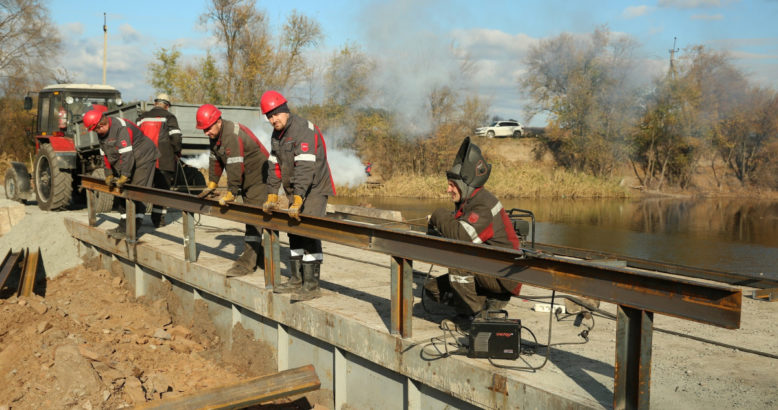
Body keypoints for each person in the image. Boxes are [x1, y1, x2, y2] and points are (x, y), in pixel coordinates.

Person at [423, 137, 522, 321]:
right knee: (432, 290)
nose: (448, 190)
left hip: (503, 275)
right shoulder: (468, 202)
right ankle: (486, 303)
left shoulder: (483, 205)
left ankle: (471, 317)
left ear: (465, 186)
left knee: (460, 264)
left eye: (452, 185)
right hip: (486, 269)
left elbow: (462, 236)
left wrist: (438, 214)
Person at [259, 90, 335, 301]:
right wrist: (272, 194)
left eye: (276, 114)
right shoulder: (277, 134)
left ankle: (312, 285)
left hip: (314, 188)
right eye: (269, 116)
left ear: (285, 111)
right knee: (294, 231)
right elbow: (274, 166)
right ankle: (296, 279)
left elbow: (304, 167)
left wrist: (299, 197)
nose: (273, 119)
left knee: (308, 231)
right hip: (296, 189)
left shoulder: (303, 130)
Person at [195, 103, 270, 277]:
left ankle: (247, 264)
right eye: (203, 130)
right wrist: (212, 183)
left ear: (218, 122)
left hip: (260, 176)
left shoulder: (232, 135)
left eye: (208, 128)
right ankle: (262, 258)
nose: (206, 133)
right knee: (254, 218)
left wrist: (232, 192)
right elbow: (215, 160)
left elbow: (235, 165)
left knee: (254, 217)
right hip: (247, 176)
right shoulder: (215, 135)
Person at [82, 109, 160, 238]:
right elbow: (104, 155)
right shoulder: (101, 133)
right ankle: (123, 225)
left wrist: (125, 175)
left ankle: (133, 228)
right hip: (129, 158)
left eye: (96, 130)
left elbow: (127, 155)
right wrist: (108, 174)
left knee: (137, 191)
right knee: (121, 191)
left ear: (101, 125)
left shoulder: (121, 128)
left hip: (144, 157)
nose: (96, 132)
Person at [136, 93, 183, 227]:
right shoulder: (169, 117)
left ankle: (138, 219)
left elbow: (135, 137)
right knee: (162, 191)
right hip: (164, 160)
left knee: (142, 190)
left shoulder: (141, 118)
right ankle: (158, 220)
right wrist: (177, 152)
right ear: (167, 106)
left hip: (143, 160)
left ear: (155, 103)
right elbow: (176, 138)